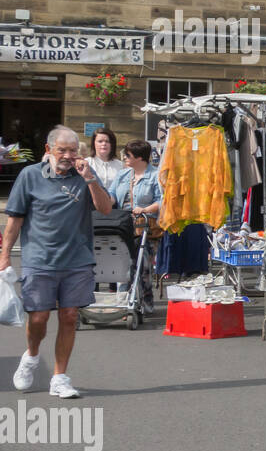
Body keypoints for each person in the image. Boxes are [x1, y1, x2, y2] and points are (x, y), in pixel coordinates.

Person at [2, 125, 115, 398]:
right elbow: (15, 219)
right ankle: (31, 356)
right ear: (48, 150)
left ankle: (59, 377)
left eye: (73, 150)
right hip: (39, 259)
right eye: (62, 150)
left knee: (69, 316)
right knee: (38, 317)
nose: (67, 155)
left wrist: (90, 179)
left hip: (77, 260)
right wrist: (4, 255)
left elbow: (106, 208)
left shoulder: (85, 175)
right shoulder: (30, 176)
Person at [110, 140, 163, 314]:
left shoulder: (156, 175)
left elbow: (163, 200)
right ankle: (123, 304)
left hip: (145, 226)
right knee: (122, 266)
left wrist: (145, 209)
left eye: (128, 155)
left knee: (143, 267)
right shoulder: (123, 175)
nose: (124, 158)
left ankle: (146, 303)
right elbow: (111, 195)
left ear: (139, 158)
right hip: (123, 226)